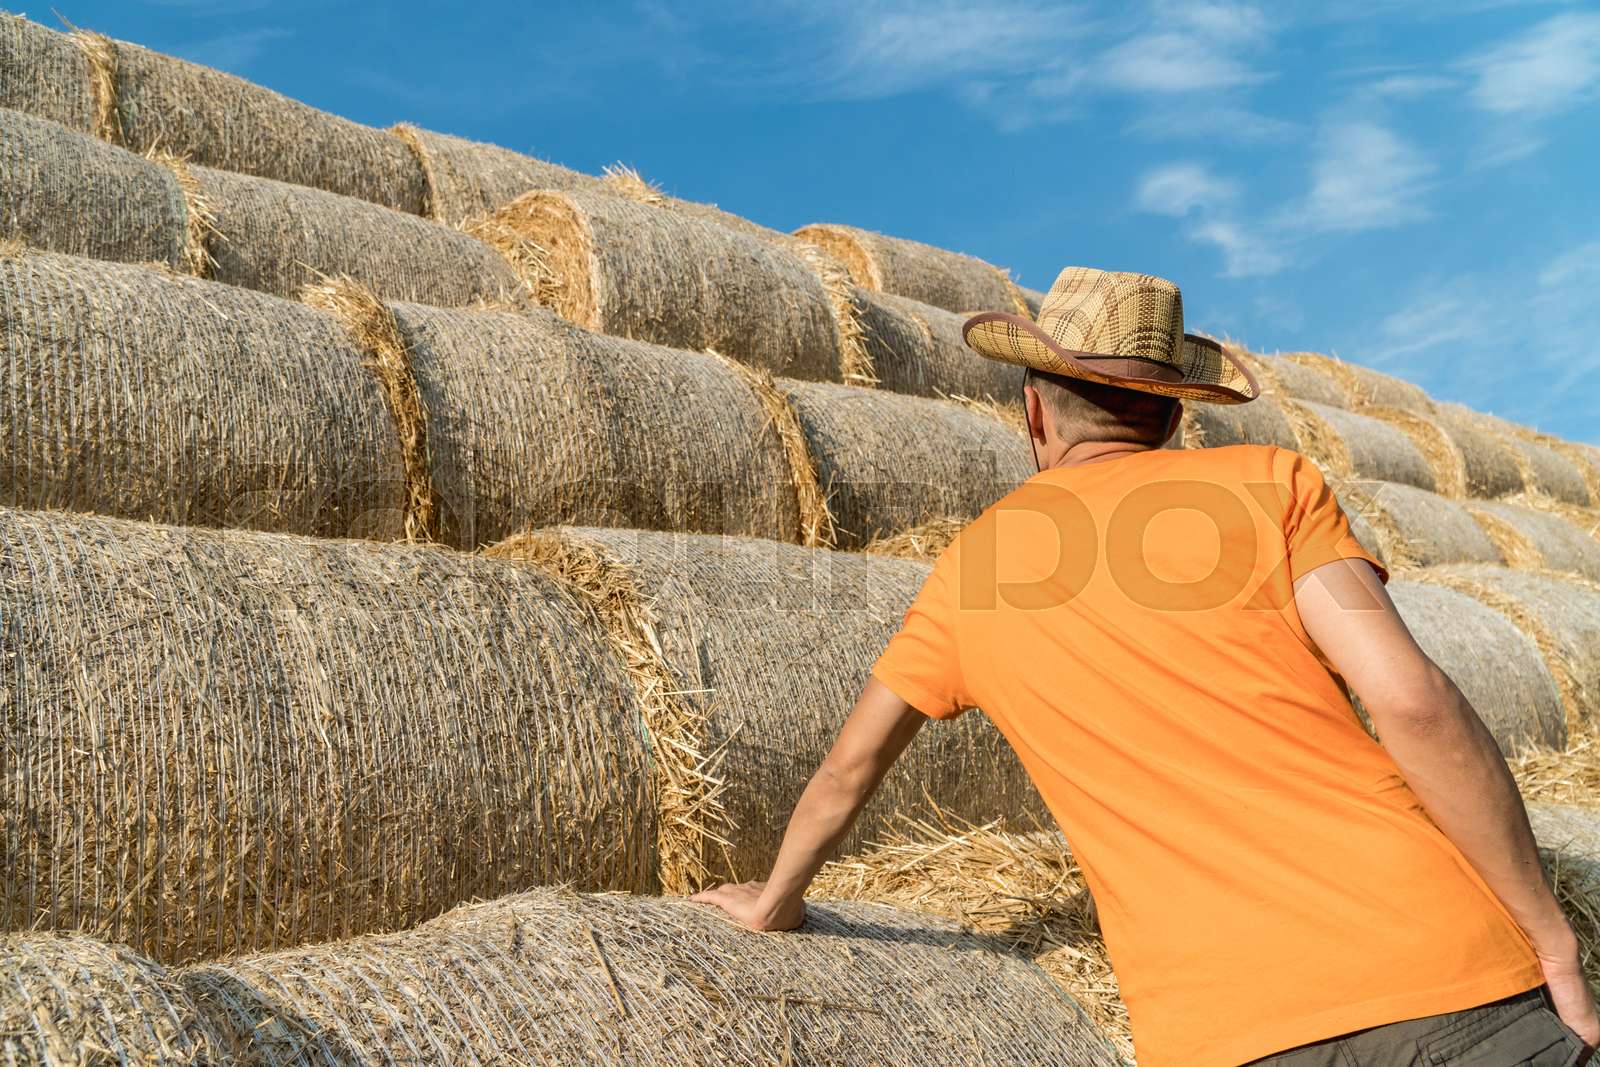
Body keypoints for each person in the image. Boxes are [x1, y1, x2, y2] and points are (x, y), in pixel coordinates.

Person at [692, 267, 1599, 1066]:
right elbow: (1414, 701)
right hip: (1447, 972)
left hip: (1224, 1030)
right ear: (1172, 416)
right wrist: (1552, 935)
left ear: (1033, 408)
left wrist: (777, 898)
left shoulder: (973, 569)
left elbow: (850, 769)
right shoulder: (1271, 482)